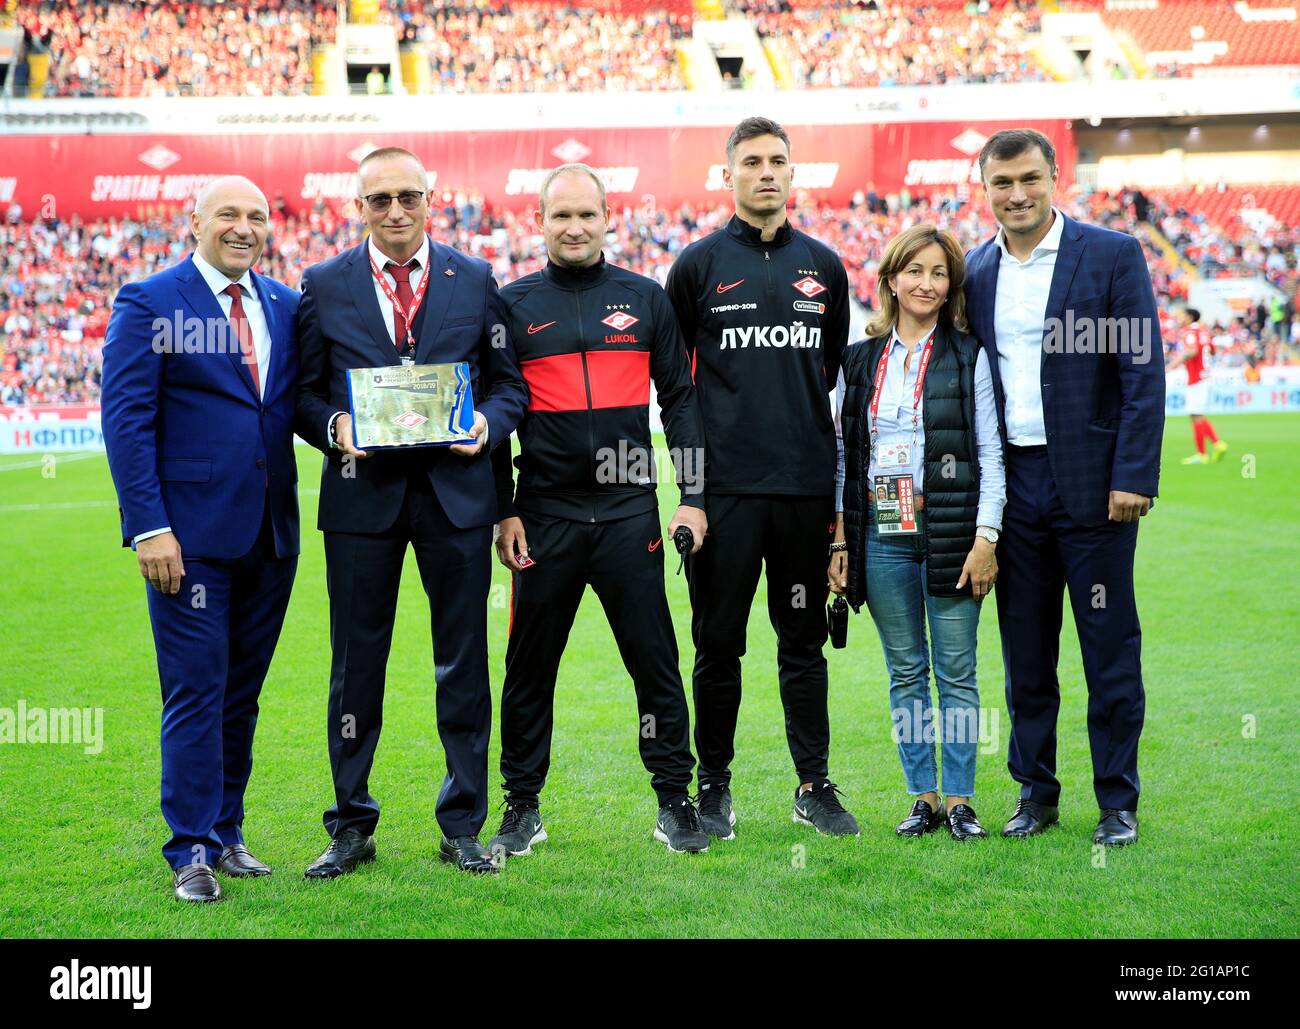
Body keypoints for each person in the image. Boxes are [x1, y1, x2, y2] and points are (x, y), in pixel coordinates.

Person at [294, 147, 527, 876]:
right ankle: (351, 823)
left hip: (456, 501)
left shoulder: (475, 276)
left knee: (463, 663)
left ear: (431, 199)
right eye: (379, 199)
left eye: (407, 197)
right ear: (358, 206)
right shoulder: (324, 283)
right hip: (362, 499)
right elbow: (302, 394)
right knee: (354, 666)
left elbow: (508, 387)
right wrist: (336, 428)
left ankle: (462, 823)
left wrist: (487, 424)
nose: (394, 211)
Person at [489, 164, 711, 857]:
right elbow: (492, 414)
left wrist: (694, 496)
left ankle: (675, 801)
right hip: (545, 516)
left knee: (655, 663)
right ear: (541, 221)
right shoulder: (512, 304)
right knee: (529, 668)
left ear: (609, 217)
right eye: (562, 216)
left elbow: (680, 401)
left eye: (587, 215)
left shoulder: (644, 299)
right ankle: (521, 806)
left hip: (628, 515)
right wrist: (503, 509)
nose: (575, 227)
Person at [102, 176, 301, 902]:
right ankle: (188, 847)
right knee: (196, 690)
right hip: (188, 542)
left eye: (257, 214)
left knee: (241, 695)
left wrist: (364, 429)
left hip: (272, 534)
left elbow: (294, 406)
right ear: (196, 221)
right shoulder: (150, 300)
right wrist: (150, 526)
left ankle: (227, 831)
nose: (243, 227)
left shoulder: (284, 303)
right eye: (229, 214)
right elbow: (126, 421)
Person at [964, 129, 1165, 846]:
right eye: (1001, 183)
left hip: (1095, 486)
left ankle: (1117, 800)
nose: (1016, 194)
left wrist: (1134, 474)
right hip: (1013, 487)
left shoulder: (1110, 254)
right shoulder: (974, 270)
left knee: (1109, 645)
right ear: (982, 187)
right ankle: (1035, 792)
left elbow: (1142, 369)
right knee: (1025, 651)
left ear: (1054, 176)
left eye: (1028, 178)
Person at [665, 116, 857, 839]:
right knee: (718, 645)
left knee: (803, 642)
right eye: (752, 162)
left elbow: (829, 373)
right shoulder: (697, 266)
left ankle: (815, 783)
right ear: (729, 175)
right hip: (726, 498)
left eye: (778, 160)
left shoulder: (826, 266)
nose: (767, 172)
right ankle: (713, 787)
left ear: (793, 172)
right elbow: (677, 391)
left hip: (805, 493)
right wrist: (693, 493)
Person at [828, 224, 1005, 841]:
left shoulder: (967, 354)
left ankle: (960, 799)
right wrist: (840, 540)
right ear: (891, 279)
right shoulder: (860, 358)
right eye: (915, 271)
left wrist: (987, 536)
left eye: (938, 273)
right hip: (880, 532)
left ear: (950, 285)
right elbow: (845, 457)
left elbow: (990, 451)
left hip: (953, 531)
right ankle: (922, 798)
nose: (926, 283)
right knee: (905, 671)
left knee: (956, 672)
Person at [1169, 307, 1227, 464]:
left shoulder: (1189, 332)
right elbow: (1213, 351)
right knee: (1197, 414)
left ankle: (1204, 452)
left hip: (1196, 378)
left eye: (1181, 316)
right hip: (1205, 376)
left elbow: (1192, 350)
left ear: (1189, 317)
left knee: (1195, 414)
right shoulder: (1204, 331)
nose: (1180, 319)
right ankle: (1215, 444)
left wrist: (1171, 365)